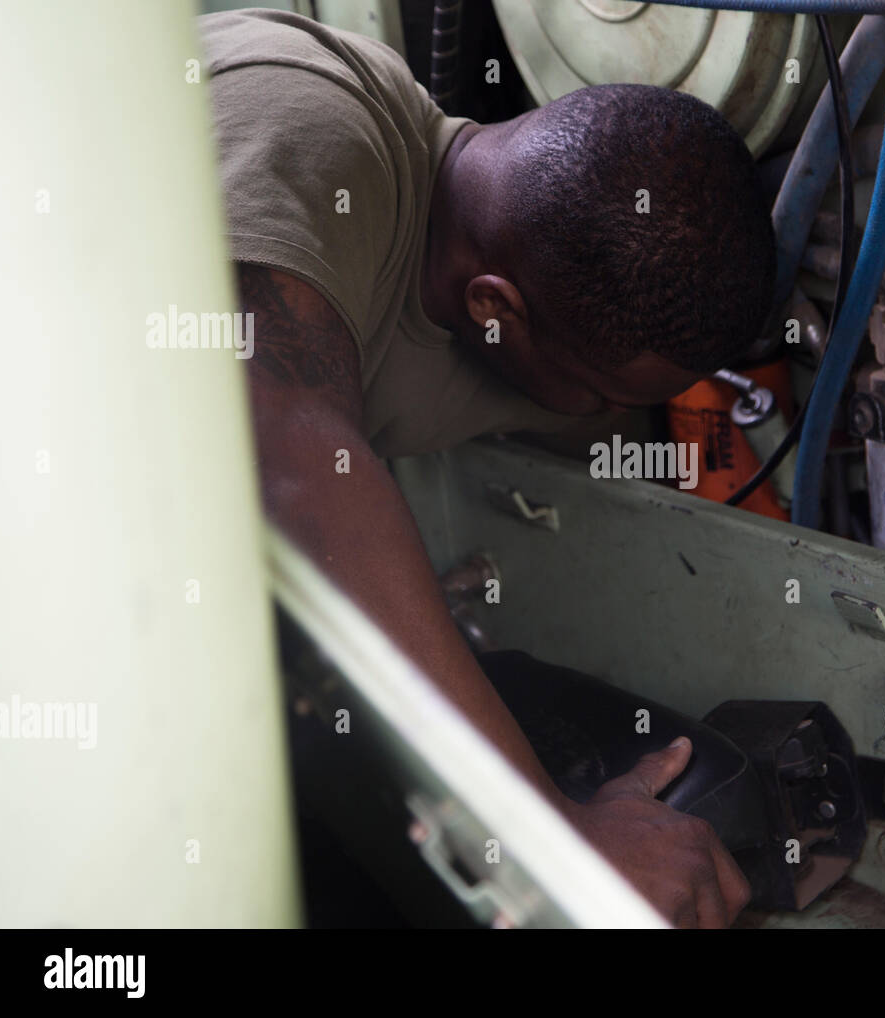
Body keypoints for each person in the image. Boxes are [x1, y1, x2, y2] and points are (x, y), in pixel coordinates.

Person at [200, 7, 776, 928]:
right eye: (590, 392)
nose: (596, 413)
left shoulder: (519, 295)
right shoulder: (307, 118)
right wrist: (554, 835)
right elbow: (292, 457)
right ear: (493, 306)